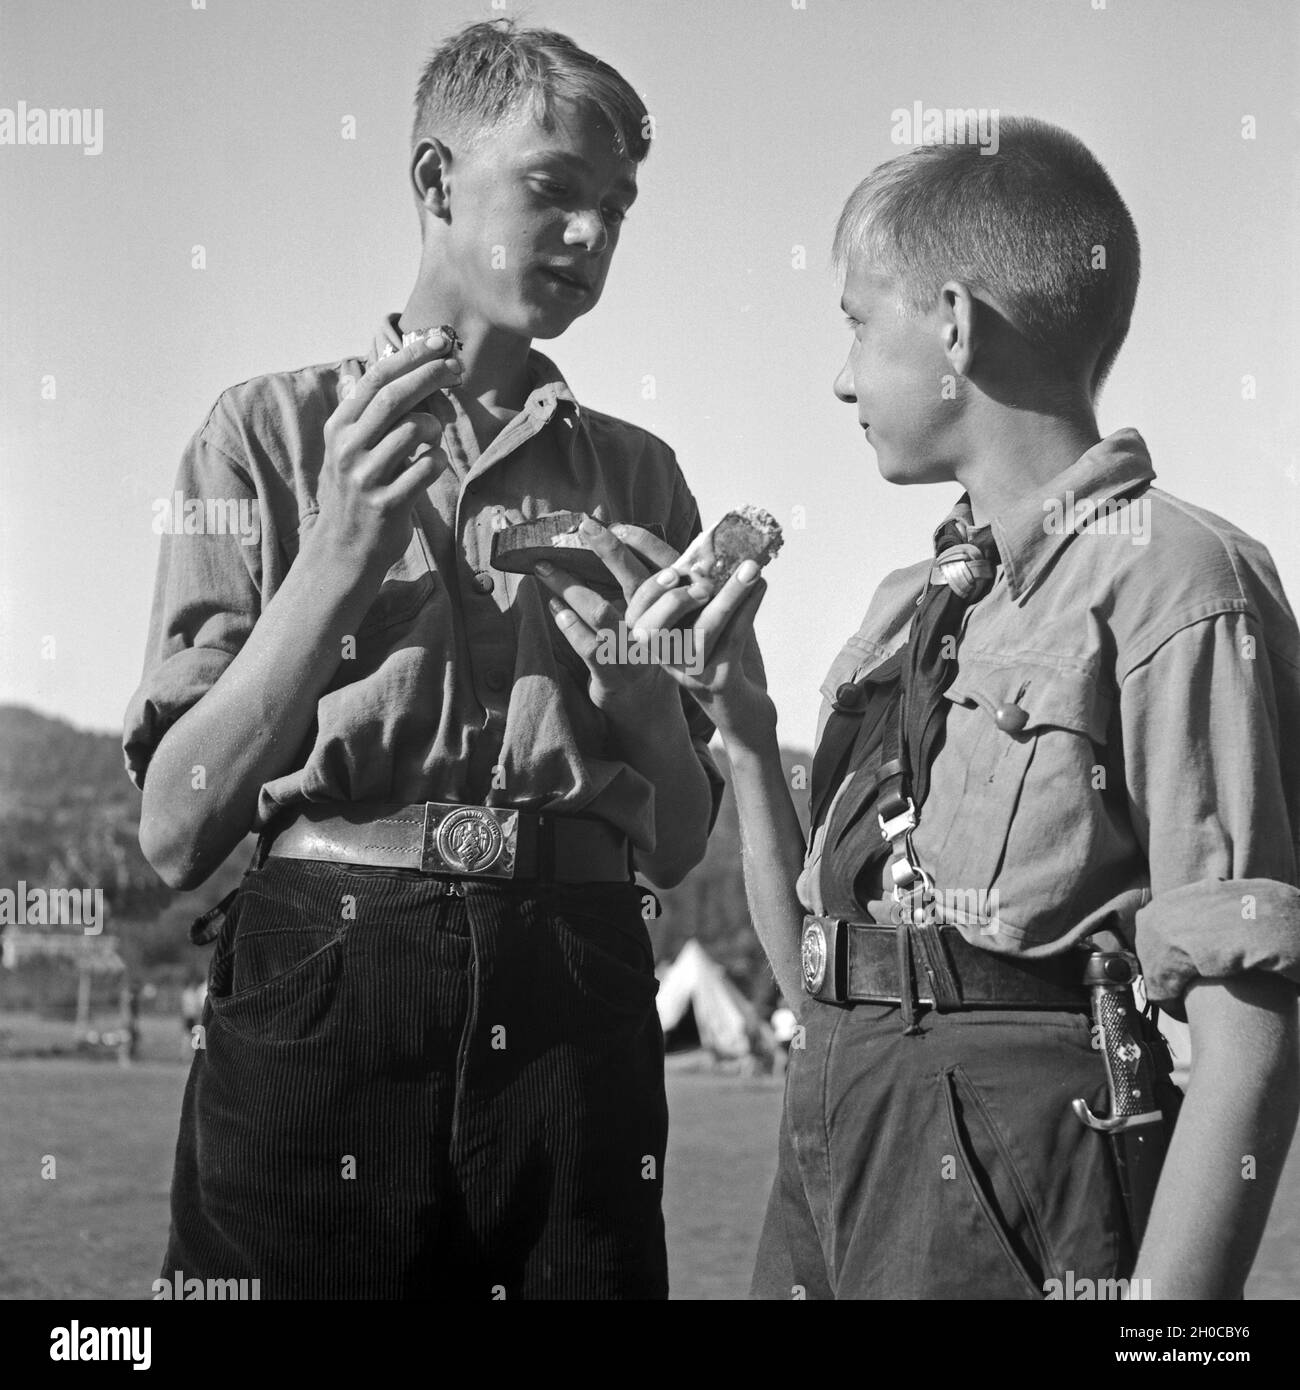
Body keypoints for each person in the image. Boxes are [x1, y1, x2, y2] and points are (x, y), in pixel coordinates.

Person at [614, 118, 1300, 1299]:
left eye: (853, 322)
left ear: (950, 321)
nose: (838, 377)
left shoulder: (1179, 582)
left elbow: (1249, 1021)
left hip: (1024, 1181)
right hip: (826, 1165)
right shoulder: (899, 610)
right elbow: (816, 980)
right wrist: (735, 709)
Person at [123, 20, 723, 1300]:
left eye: (616, 207)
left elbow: (674, 842)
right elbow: (176, 831)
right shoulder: (266, 436)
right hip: (321, 972)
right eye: (554, 191)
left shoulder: (643, 478)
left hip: (580, 978)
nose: (592, 237)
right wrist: (338, 552)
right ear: (435, 182)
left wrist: (647, 712)